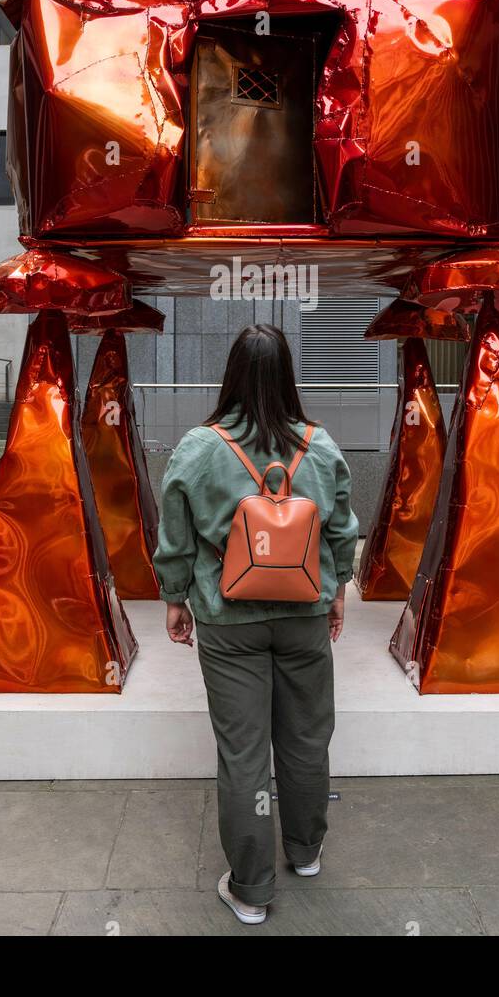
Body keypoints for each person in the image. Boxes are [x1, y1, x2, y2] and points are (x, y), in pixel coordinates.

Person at [152, 323, 359, 925]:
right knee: (305, 737)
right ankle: (306, 851)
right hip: (304, 614)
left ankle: (251, 889)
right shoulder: (320, 446)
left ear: (232, 375)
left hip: (227, 618)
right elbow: (342, 528)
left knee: (244, 753)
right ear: (288, 375)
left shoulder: (198, 446)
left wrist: (174, 596)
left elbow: (175, 531)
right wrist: (338, 588)